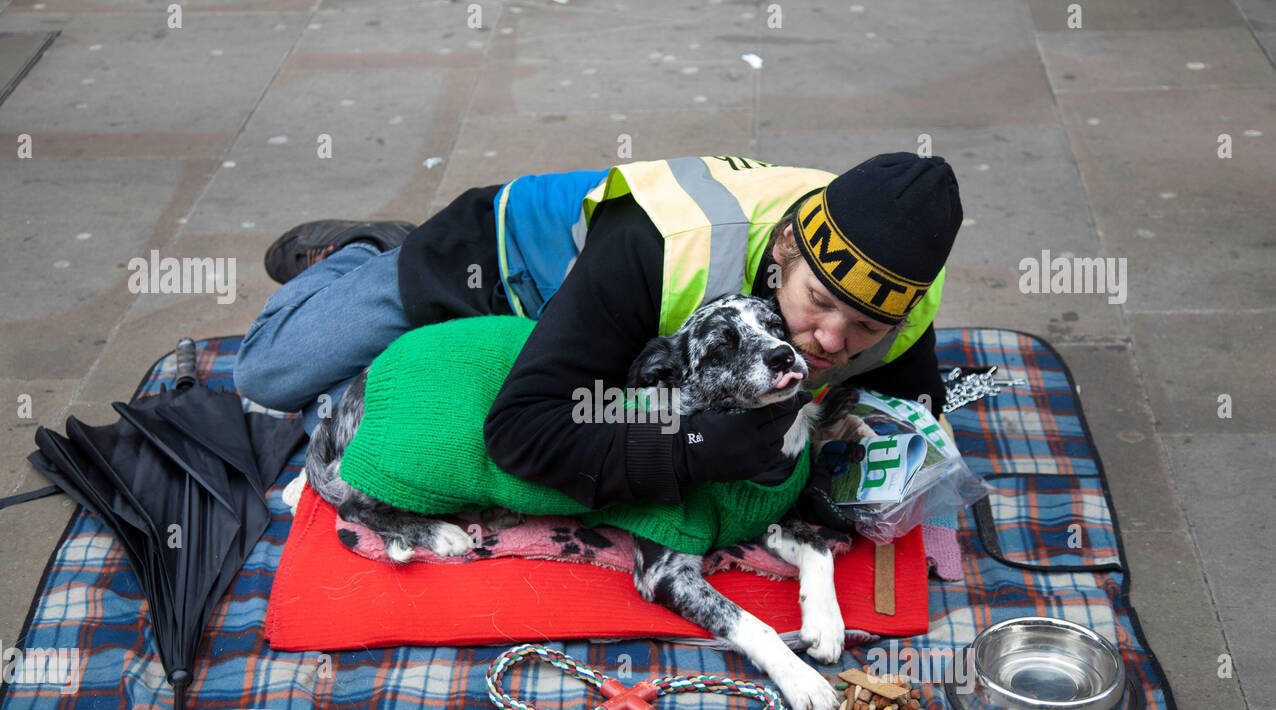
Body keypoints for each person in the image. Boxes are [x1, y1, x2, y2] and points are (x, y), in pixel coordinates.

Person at [233, 152, 962, 511]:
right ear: (782, 250)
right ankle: (364, 253)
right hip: (496, 260)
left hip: (591, 325)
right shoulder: (667, 246)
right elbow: (521, 433)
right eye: (817, 303)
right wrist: (697, 445)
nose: (831, 342)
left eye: (863, 326)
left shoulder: (899, 305)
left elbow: (910, 421)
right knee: (268, 379)